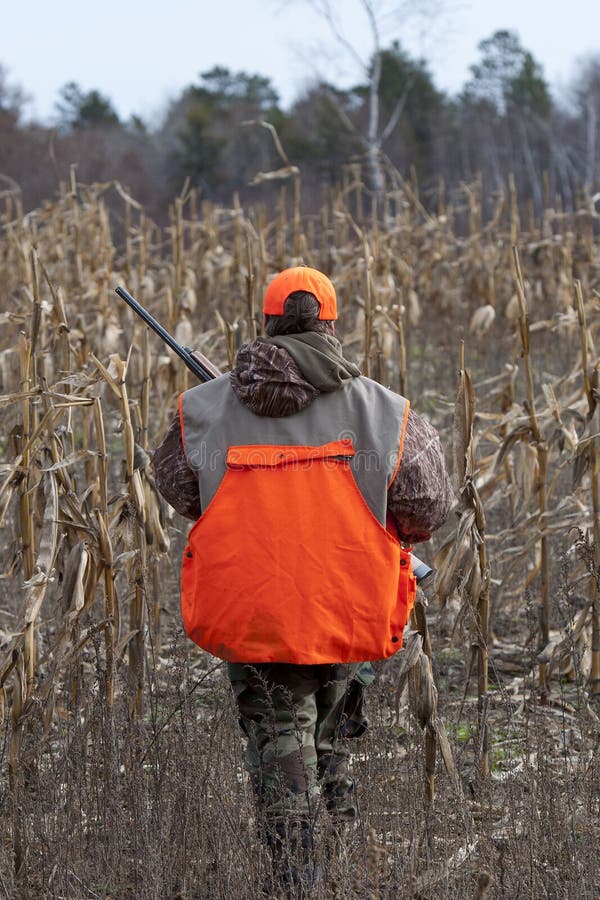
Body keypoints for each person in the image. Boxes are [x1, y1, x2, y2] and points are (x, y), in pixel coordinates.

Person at [152, 266, 453, 894]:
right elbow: (428, 508)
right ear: (332, 327)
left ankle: (293, 876)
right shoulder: (385, 411)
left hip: (255, 613)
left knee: (279, 740)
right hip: (349, 607)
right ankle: (338, 861)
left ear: (266, 324)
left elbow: (182, 489)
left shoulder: (205, 409)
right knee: (336, 737)